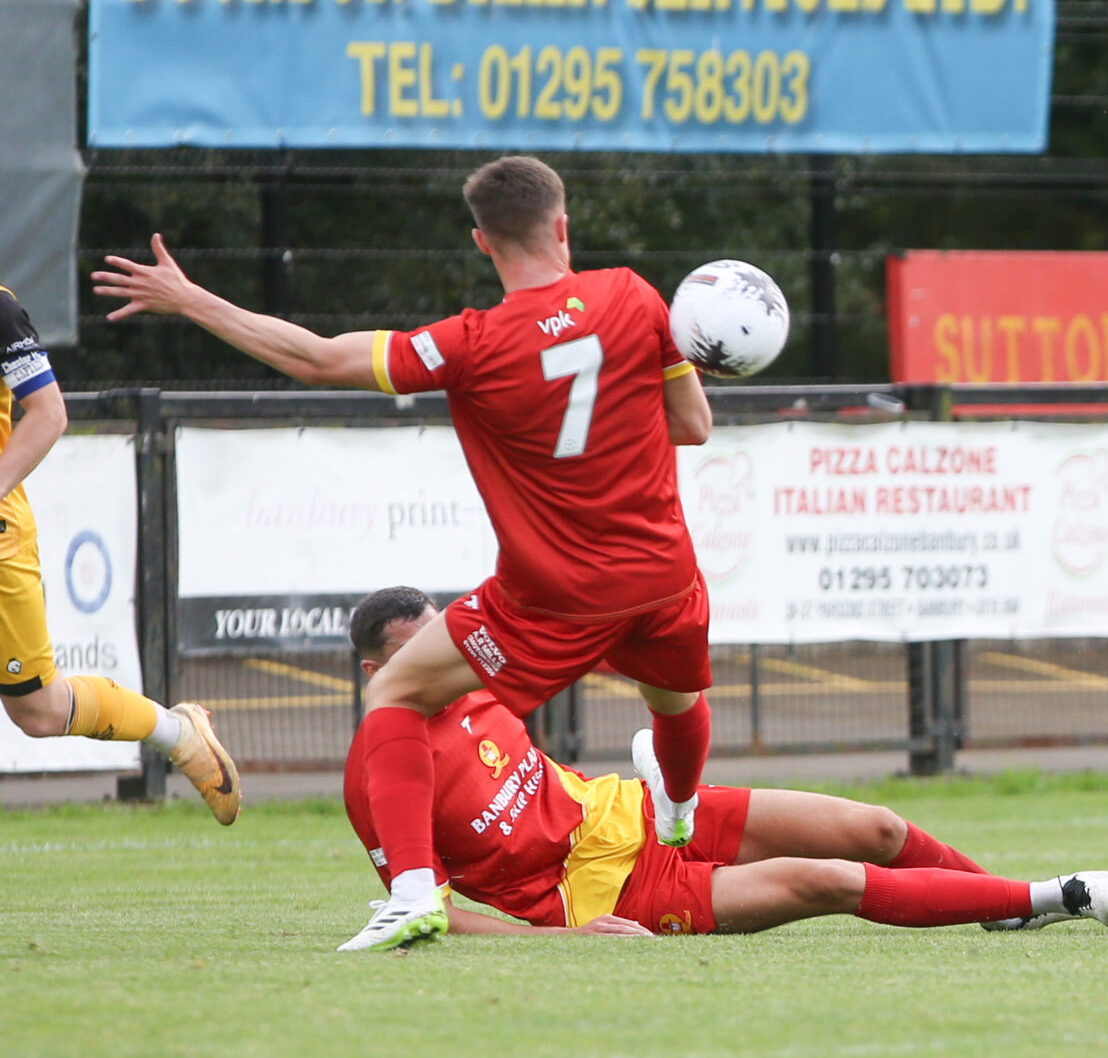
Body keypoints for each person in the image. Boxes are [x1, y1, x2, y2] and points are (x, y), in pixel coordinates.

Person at [93, 156, 724, 951]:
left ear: (482, 243)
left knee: (392, 691)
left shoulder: (470, 343)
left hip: (554, 593)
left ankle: (417, 893)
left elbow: (315, 358)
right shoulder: (636, 295)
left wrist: (188, 298)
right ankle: (678, 809)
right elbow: (694, 424)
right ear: (563, 225)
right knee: (675, 706)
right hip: (660, 574)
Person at [339, 587, 1108, 939]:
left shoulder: (480, 679)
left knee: (876, 828)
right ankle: (1056, 894)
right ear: (378, 676)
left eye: (440, 640)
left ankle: (999, 904)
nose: (439, 662)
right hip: (611, 894)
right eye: (414, 657)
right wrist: (563, 943)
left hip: (642, 811)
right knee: (827, 880)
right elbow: (428, 912)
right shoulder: (377, 774)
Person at [0, 286, 239, 817]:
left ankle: (177, 733)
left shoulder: (1, 309)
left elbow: (48, 413)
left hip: (1, 538)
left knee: (39, 711)